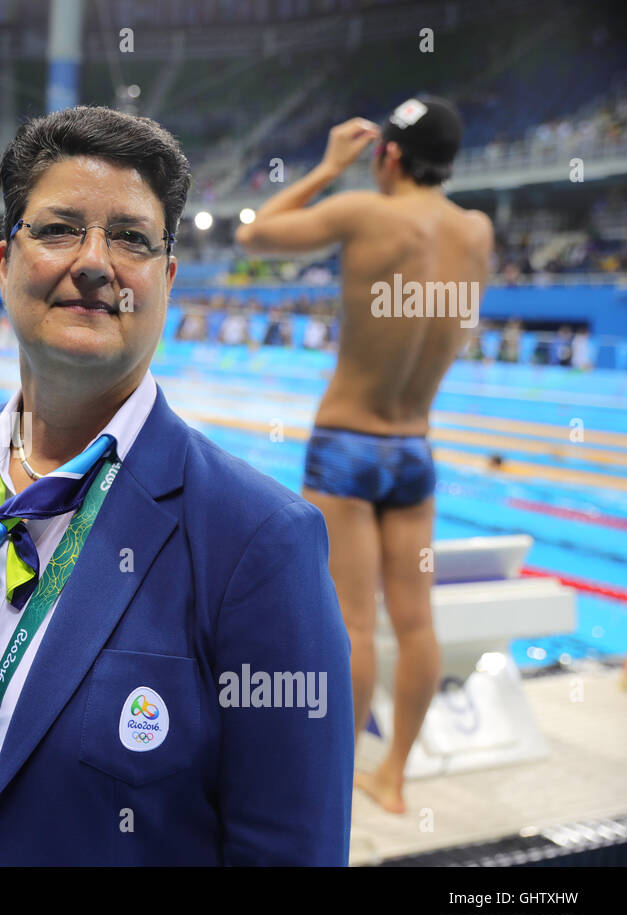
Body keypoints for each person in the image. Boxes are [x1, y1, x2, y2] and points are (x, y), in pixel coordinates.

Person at [0, 106, 353, 867]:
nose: (94, 262)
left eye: (130, 238)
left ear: (167, 278)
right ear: (4, 261)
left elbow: (289, 849)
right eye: (58, 229)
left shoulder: (257, 542)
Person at [236, 96, 494, 814]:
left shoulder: (366, 215)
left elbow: (254, 235)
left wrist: (327, 168)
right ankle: (395, 778)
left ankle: (335, 785)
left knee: (351, 623)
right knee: (415, 624)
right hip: (415, 450)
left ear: (386, 155)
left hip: (348, 446)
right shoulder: (476, 231)